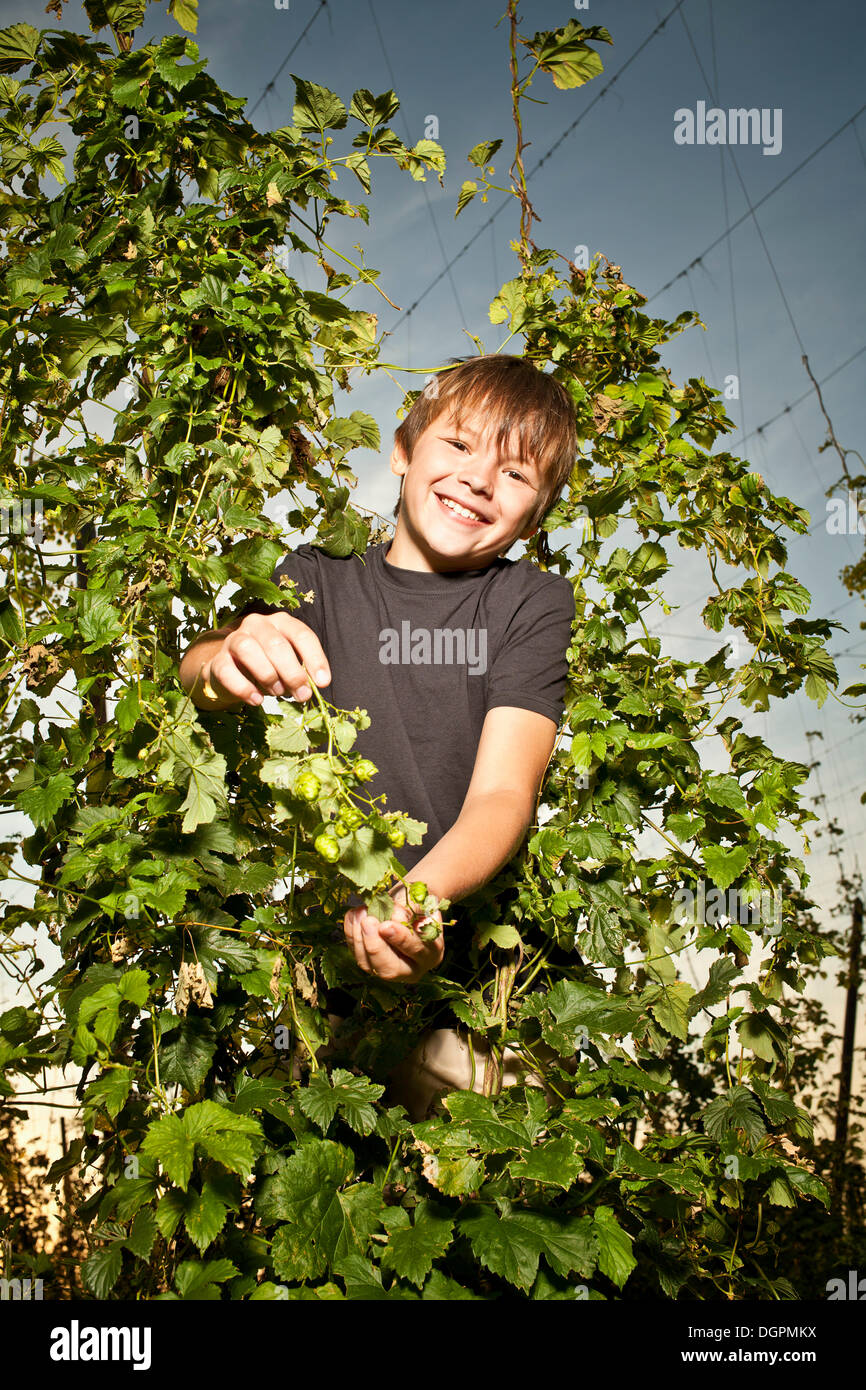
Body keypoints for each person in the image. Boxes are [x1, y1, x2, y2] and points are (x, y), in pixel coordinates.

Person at [178, 353, 577, 1117]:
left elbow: (504, 791)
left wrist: (417, 898)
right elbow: (194, 667)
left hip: (475, 978)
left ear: (535, 514)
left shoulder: (532, 603)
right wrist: (225, 658)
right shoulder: (316, 576)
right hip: (327, 970)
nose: (479, 480)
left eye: (516, 474)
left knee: (478, 1179)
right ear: (402, 450)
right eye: (458, 445)